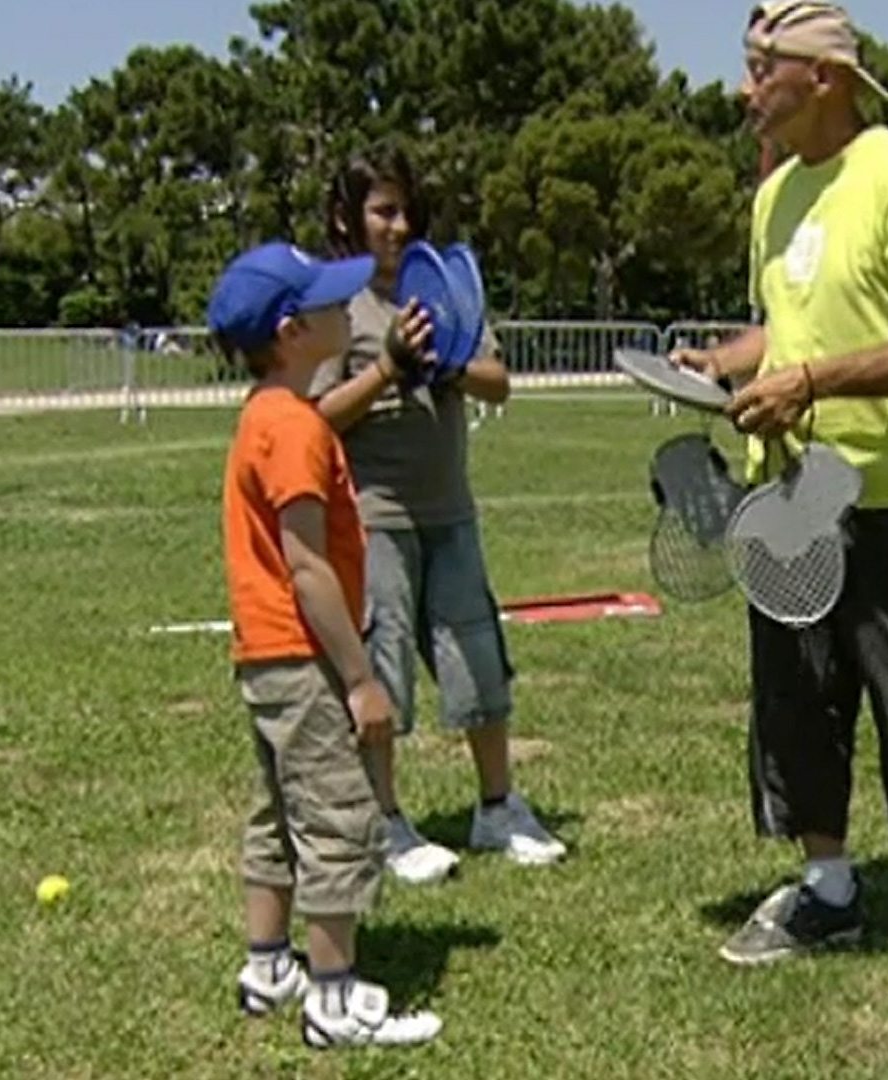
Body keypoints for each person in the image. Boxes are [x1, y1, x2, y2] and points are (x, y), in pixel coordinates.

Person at [670, 1, 888, 985]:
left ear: (819, 76)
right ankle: (828, 890)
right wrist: (727, 359)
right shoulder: (774, 195)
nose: (747, 89)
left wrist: (814, 384)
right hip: (788, 492)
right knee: (797, 698)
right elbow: (785, 332)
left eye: (760, 68)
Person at [309, 143, 566, 885]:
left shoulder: (441, 287)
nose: (397, 224)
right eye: (381, 210)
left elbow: (498, 382)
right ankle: (384, 823)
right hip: (374, 518)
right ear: (347, 217)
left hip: (451, 511)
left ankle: (497, 808)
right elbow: (318, 416)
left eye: (403, 210)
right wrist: (387, 367)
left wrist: (443, 361)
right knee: (381, 672)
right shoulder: (335, 306)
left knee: (479, 662)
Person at [210, 240, 442, 1049]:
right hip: (305, 655)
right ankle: (334, 1001)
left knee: (278, 812)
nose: (349, 309)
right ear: (291, 332)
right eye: (330, 303)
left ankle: (268, 964)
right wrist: (359, 680)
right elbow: (307, 567)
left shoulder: (263, 416)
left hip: (263, 655)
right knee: (339, 815)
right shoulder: (297, 429)